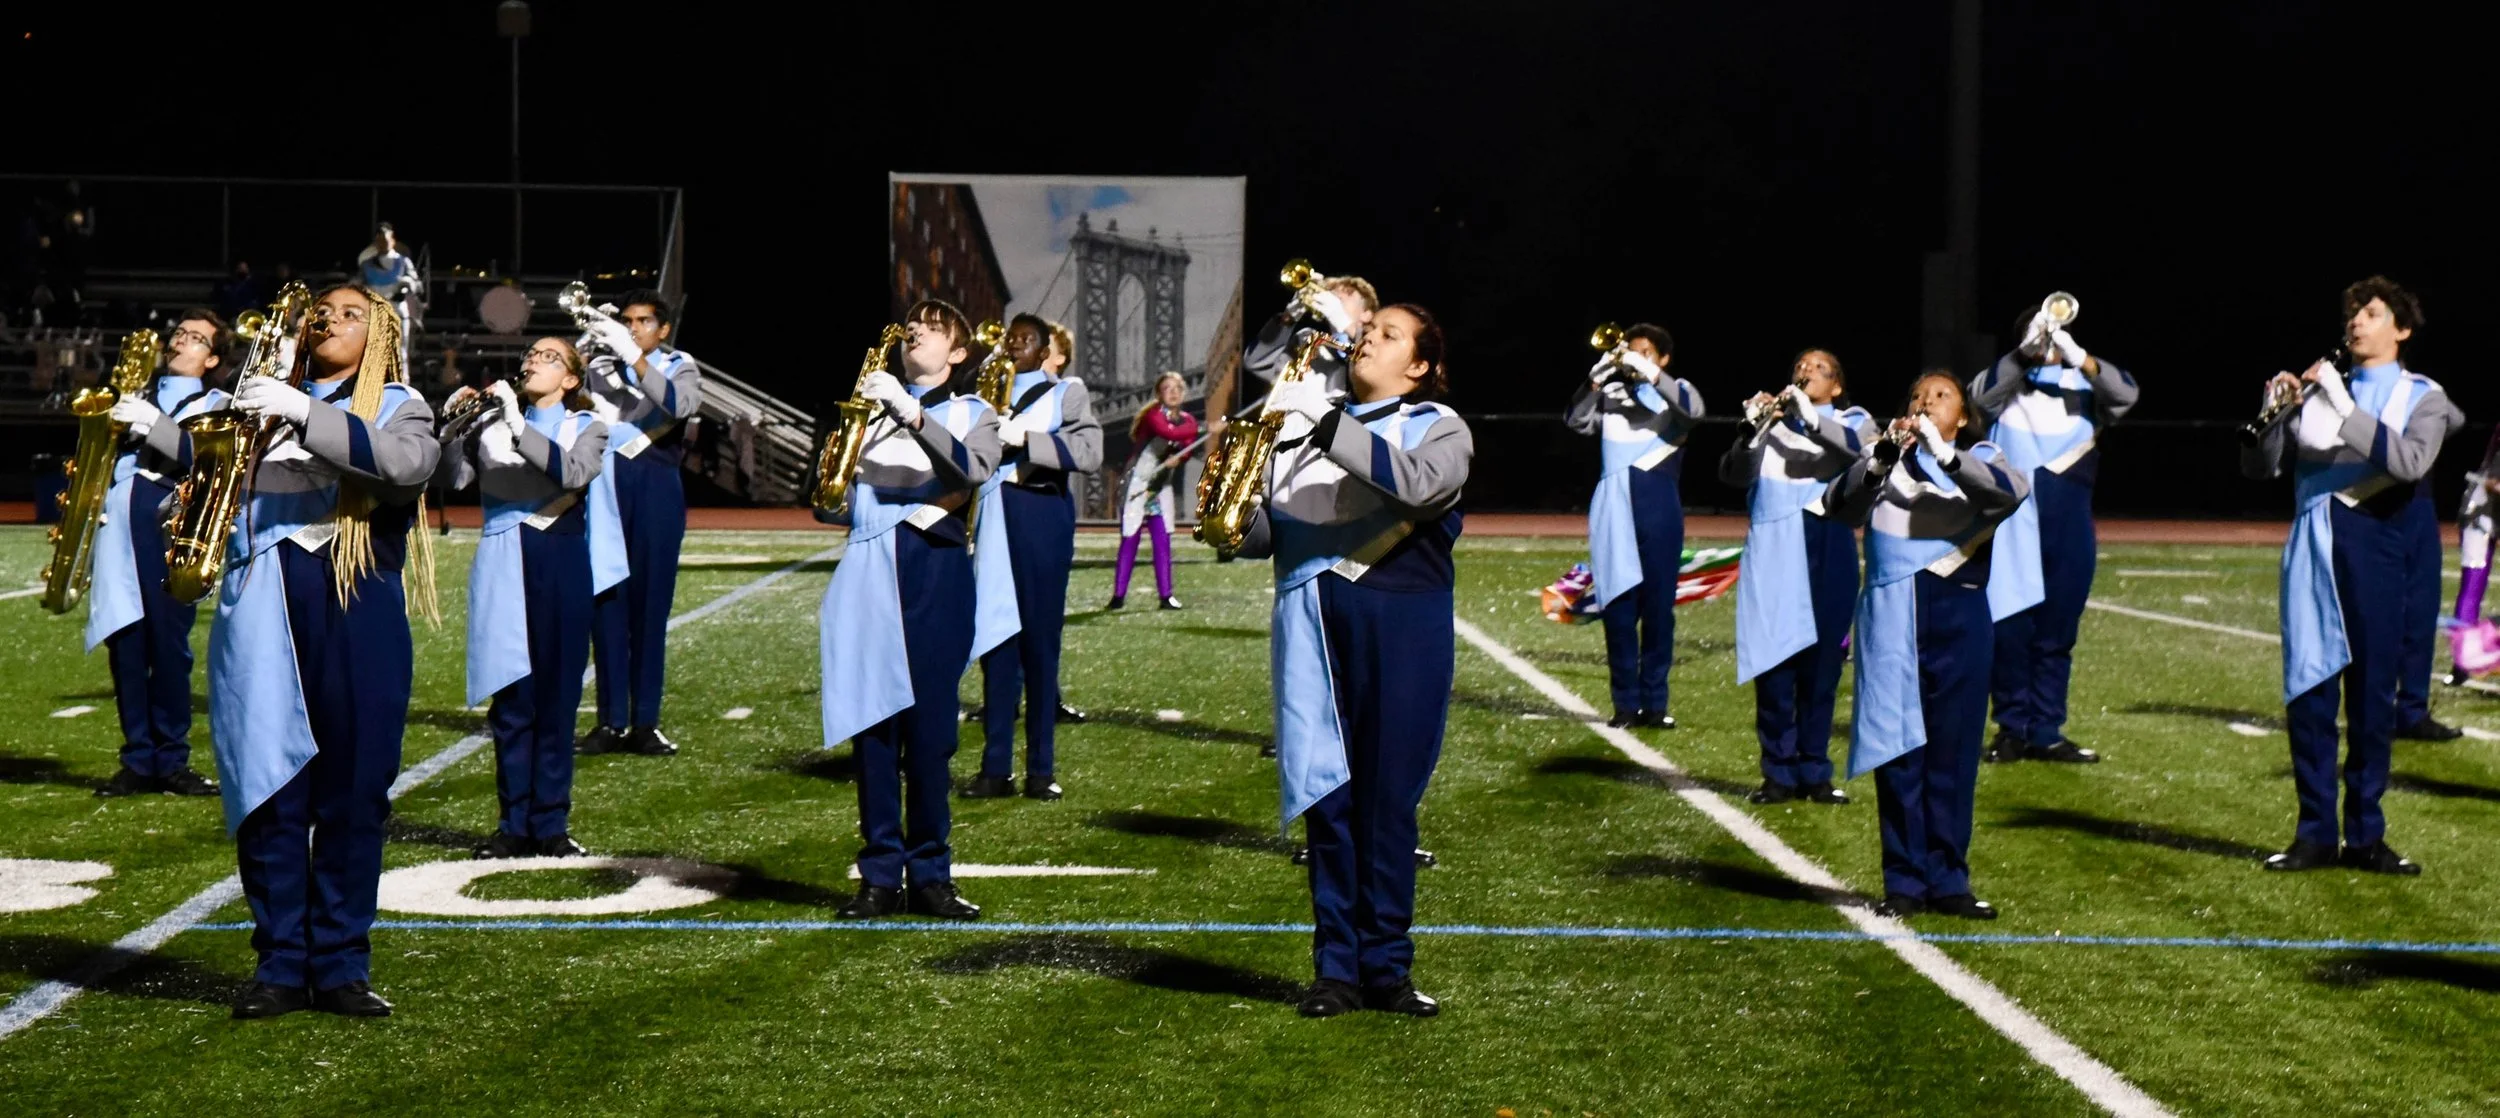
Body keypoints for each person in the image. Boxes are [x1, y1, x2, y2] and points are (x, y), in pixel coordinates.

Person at [1235, 304, 1470, 1018]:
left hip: (1401, 619)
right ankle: (1335, 969)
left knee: (1386, 801)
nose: (1369, 339)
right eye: (1369, 331)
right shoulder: (1308, 422)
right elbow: (1276, 529)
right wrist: (1235, 515)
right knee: (1326, 794)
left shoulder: (1438, 426)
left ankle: (1387, 968)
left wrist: (1326, 423)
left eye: (1389, 335)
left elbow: (1419, 486)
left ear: (1421, 366)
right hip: (1309, 617)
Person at [216, 284, 441, 1018]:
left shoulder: (400, 402)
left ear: (381, 334)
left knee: (353, 790)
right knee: (270, 790)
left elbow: (406, 467)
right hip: (262, 601)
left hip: (353, 598)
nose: (328, 321)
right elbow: (198, 494)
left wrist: (303, 411)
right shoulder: (253, 400)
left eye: (350, 313)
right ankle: (279, 963)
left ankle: (340, 963)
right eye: (322, 312)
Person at [2241, 276, 2459, 875]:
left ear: (2402, 329)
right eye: (2353, 314)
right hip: (2311, 546)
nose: (2356, 322)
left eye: (2372, 313)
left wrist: (2340, 401)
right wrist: (2272, 413)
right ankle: (2314, 833)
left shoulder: (2424, 396)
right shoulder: (2315, 392)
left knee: (2369, 696)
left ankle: (2365, 834)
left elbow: (2409, 462)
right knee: (2310, 691)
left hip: (2376, 547)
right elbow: (2259, 468)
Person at [1824, 371, 2027, 920]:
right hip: (1892, 616)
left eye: (1940, 397)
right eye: (1917, 395)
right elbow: (1836, 506)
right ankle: (1904, 882)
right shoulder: (1885, 461)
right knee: (1900, 752)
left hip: (1959, 614)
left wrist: (1946, 454)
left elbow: (2010, 493)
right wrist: (1877, 462)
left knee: (1953, 753)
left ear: (1961, 416)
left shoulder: (1983, 455)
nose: (1925, 402)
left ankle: (1949, 880)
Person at [822, 299, 999, 921]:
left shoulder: (973, 412)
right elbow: (828, 504)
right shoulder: (866, 413)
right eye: (912, 325)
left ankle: (930, 873)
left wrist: (911, 412)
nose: (916, 331)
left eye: (934, 327)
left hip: (933, 569)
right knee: (873, 728)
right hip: (866, 567)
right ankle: (877, 874)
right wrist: (835, 473)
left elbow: (974, 468)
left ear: (958, 353)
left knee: (929, 735)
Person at [438, 338, 612, 859]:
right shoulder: (489, 421)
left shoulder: (589, 426)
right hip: (500, 558)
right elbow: (453, 478)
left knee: (557, 697)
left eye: (550, 357)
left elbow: (574, 473)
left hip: (557, 557)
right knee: (511, 699)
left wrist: (518, 423)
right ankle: (513, 822)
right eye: (531, 354)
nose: (534, 361)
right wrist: (450, 428)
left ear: (572, 380)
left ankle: (551, 823)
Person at [1969, 305, 2140, 764]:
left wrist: (2077, 354)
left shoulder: (2088, 385)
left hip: (2068, 518)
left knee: (2057, 628)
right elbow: (1977, 398)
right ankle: (2011, 727)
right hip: (2014, 520)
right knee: (2009, 626)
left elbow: (2126, 395)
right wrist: (2023, 355)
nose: (2047, 336)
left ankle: (2045, 729)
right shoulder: (2009, 386)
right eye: (2038, 330)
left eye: (2054, 330)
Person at [91, 309, 232, 798]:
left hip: (171, 529)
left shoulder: (217, 400)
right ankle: (137, 758)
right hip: (117, 528)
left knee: (168, 648)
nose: (180, 343)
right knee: (125, 644)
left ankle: (171, 758)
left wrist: (153, 424)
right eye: (179, 334)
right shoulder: (136, 393)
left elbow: (209, 461)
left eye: (196, 339)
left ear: (211, 358)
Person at [1720, 349, 1869, 805]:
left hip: (1825, 538)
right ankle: (1778, 773)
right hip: (1772, 544)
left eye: (1820, 369)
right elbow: (1731, 475)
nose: (1807, 373)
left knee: (1821, 667)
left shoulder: (1853, 418)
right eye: (1801, 367)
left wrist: (1809, 416)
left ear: (1837, 387)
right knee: (1774, 664)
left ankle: (1815, 771)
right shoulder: (1772, 424)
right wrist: (1751, 430)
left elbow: (1856, 452)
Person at [966, 314, 1103, 801]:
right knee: (996, 644)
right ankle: (994, 767)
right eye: (1011, 338)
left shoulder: (1067, 391)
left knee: (1040, 647)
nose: (1015, 344)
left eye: (1026, 339)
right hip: (994, 521)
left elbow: (1090, 450)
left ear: (1045, 349)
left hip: (1041, 515)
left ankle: (1040, 770)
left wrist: (1028, 440)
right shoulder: (983, 393)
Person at [574, 289, 703, 757]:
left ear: (663, 329)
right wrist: (582, 347)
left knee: (650, 608)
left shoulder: (679, 364)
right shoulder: (598, 365)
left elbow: (682, 406)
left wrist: (632, 357)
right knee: (606, 604)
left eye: (643, 322)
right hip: (603, 488)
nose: (632, 329)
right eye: (626, 321)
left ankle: (645, 721)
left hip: (654, 488)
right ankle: (610, 720)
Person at [1567, 323, 1703, 729]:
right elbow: (1575, 421)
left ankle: (1655, 703)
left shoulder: (1674, 391)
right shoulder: (1609, 392)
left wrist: (1648, 372)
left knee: (1659, 608)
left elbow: (1693, 411)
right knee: (1618, 607)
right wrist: (1595, 379)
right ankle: (1625, 704)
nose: (1633, 356)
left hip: (1657, 501)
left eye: (1645, 351)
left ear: (1663, 359)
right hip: (1612, 503)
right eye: (1630, 350)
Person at [1110, 371, 1201, 610]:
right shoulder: (1153, 417)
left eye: (1177, 389)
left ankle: (1166, 596)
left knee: (1162, 541)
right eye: (1167, 388)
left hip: (1160, 487)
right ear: (1159, 394)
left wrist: (1179, 459)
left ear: (1183, 393)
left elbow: (1188, 447)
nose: (1173, 393)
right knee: (1130, 539)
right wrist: (1203, 428)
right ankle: (1118, 596)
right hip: (1137, 485)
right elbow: (1171, 433)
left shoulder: (1187, 420)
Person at [1243, 272, 1377, 397]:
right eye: (1333, 291)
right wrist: (1287, 320)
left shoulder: (1378, 345)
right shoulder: (1307, 338)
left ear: (1367, 314)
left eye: (1348, 293)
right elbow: (1256, 362)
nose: (1337, 295)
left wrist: (1345, 327)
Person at [356, 223, 421, 355]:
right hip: (376, 310)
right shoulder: (367, 265)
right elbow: (357, 284)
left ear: (392, 240)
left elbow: (417, 285)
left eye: (385, 240)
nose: (382, 243)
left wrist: (407, 282)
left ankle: (402, 376)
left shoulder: (403, 262)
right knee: (376, 350)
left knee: (399, 351)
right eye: (379, 240)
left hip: (397, 309)